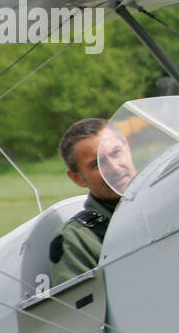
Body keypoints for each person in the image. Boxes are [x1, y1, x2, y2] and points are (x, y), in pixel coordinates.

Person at [49, 118, 135, 285]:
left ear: (128, 147)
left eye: (116, 153)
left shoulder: (165, 194)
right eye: (97, 164)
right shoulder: (77, 239)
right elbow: (79, 308)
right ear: (77, 178)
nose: (115, 168)